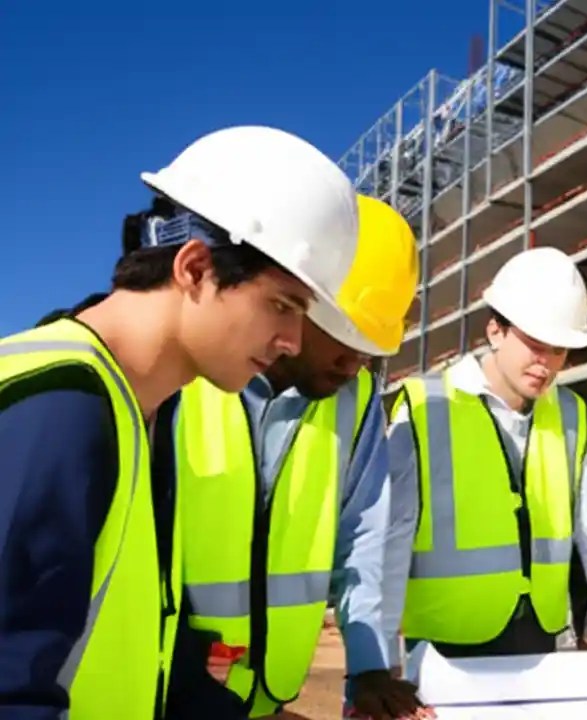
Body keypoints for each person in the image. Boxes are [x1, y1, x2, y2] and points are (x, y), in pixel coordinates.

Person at [0, 124, 360, 719]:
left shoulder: (140, 413)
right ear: (194, 268)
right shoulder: (61, 408)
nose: (293, 341)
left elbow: (133, 647)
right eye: (281, 304)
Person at [167, 194, 430, 720]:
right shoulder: (183, 381)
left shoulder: (355, 405)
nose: (353, 364)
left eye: (370, 347)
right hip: (166, 695)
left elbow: (365, 541)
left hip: (268, 695)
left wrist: (369, 667)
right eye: (343, 336)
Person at [388, 246, 587, 674]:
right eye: (536, 345)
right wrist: (378, 662)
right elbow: (389, 539)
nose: (546, 364)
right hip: (445, 649)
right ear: (495, 331)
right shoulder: (426, 408)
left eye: (558, 351)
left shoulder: (571, 414)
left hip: (539, 639)